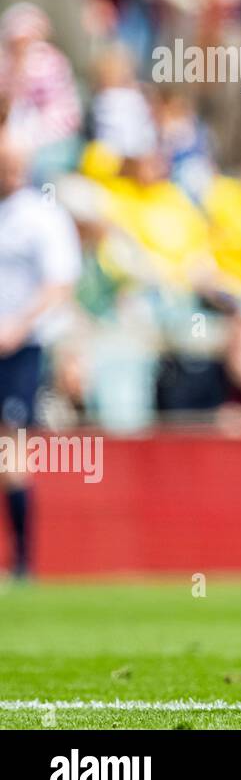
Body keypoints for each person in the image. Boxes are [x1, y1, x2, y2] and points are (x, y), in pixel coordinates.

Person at [0, 137, 82, 579]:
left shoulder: (40, 216)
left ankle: (22, 561)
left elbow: (60, 283)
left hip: (17, 348)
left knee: (9, 446)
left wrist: (15, 324)